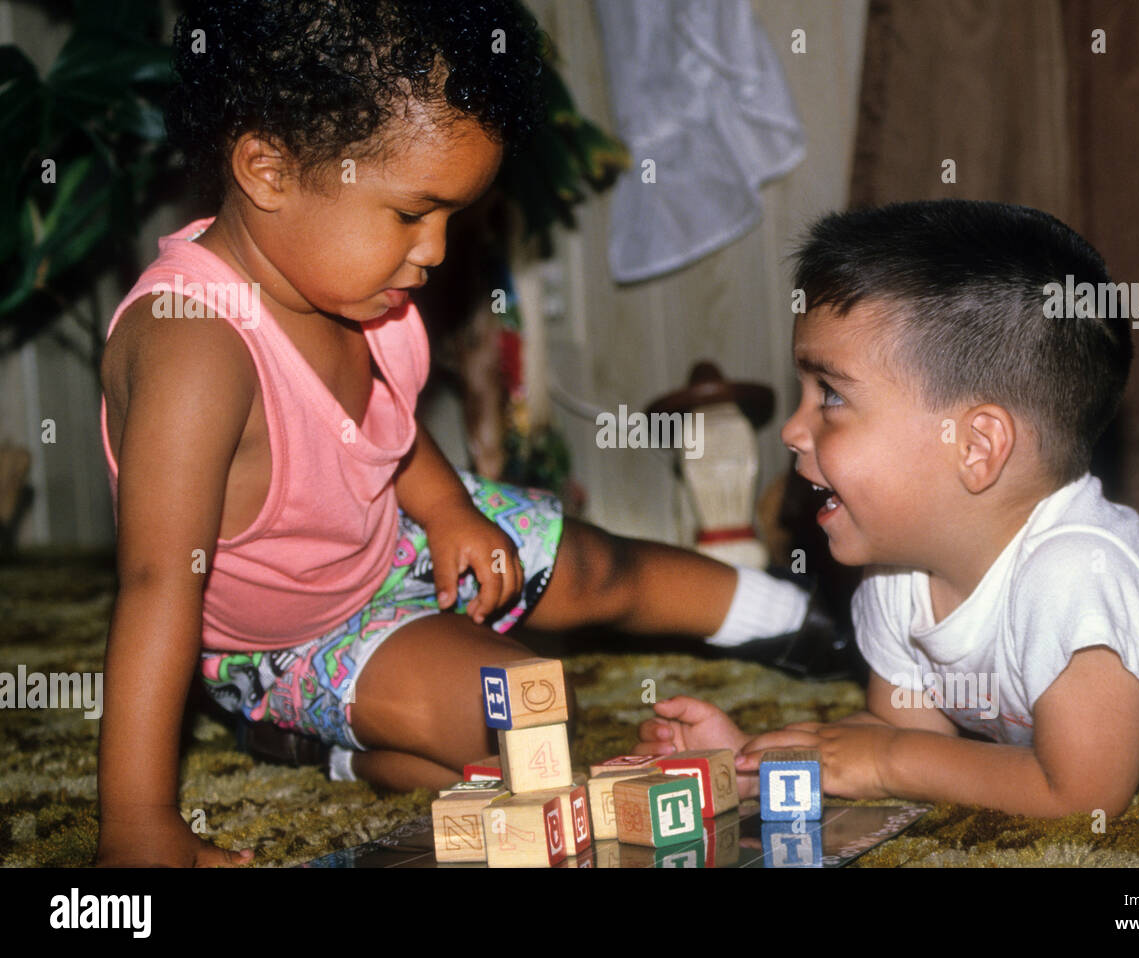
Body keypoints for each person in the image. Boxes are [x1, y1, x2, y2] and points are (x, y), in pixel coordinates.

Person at [94, 0, 816, 867]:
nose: (433, 252)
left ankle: (802, 622)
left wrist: (445, 512)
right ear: (267, 169)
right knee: (527, 712)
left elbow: (379, 428)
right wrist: (137, 827)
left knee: (595, 565)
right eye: (411, 214)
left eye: (452, 218)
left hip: (388, 528)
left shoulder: (351, 281)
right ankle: (309, 734)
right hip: (292, 638)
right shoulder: (194, 346)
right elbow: (153, 584)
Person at [638, 199, 1139, 819]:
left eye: (830, 395)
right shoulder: (893, 577)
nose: (791, 429)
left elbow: (1084, 793)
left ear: (976, 446)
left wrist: (891, 763)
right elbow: (897, 734)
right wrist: (757, 761)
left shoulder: (1077, 575)